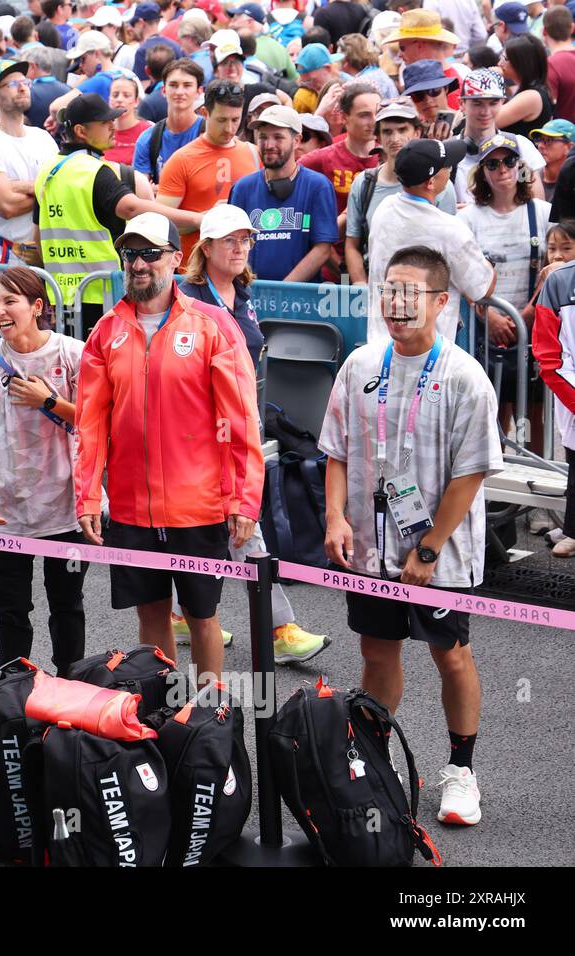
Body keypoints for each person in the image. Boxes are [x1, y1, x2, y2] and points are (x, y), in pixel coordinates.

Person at [321, 245, 503, 828]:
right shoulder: (360, 365)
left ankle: (461, 770)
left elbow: (470, 472)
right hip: (371, 548)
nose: (396, 304)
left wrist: (428, 550)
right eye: (388, 290)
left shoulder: (463, 377)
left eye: (410, 292)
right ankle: (378, 760)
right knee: (376, 651)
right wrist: (335, 517)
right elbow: (336, 450)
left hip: (439, 554)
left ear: (442, 303)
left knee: (451, 655)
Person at [75, 212, 263, 683]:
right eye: (130, 254)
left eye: (151, 253)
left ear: (176, 259)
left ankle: (208, 717)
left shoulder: (213, 325)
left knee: (202, 618)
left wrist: (244, 497)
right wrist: (88, 495)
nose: (139, 264)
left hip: (196, 507)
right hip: (134, 508)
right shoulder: (105, 332)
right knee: (151, 616)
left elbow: (241, 419)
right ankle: (162, 715)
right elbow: (91, 424)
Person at [176, 203, 331, 663]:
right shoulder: (187, 298)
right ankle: (279, 628)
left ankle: (185, 617)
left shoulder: (240, 293)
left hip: (239, 427)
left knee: (222, 525)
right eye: (230, 240)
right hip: (201, 436)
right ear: (205, 248)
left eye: (245, 239)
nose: (240, 248)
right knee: (244, 528)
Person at [0, 265, 88, 675]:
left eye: (10, 301)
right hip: (6, 510)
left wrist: (48, 401)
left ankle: (71, 688)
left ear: (37, 306)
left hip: (65, 508)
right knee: (10, 608)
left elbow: (99, 421)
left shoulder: (72, 353)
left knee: (67, 605)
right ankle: (13, 693)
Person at [33, 92, 154, 334]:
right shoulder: (95, 169)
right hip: (105, 295)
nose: (113, 126)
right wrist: (197, 218)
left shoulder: (47, 171)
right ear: (80, 131)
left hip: (61, 297)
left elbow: (38, 238)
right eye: (104, 123)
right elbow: (131, 207)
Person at [460, 132, 551, 432]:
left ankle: (533, 474)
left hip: (533, 325)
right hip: (485, 330)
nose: (502, 170)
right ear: (482, 173)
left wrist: (529, 312)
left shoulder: (542, 212)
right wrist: (489, 316)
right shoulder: (469, 218)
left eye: (509, 162)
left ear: (520, 167)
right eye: (493, 165)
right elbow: (461, 273)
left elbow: (556, 265)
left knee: (533, 416)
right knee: (492, 414)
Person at [365, 139, 496, 345]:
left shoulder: (384, 209)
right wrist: (488, 264)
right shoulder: (450, 229)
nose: (451, 169)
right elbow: (482, 288)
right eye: (447, 166)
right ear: (431, 182)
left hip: (380, 347)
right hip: (428, 356)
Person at [346, 98, 459, 285]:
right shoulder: (364, 183)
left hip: (424, 294)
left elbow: (449, 249)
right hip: (377, 290)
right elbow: (352, 244)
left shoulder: (440, 184)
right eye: (387, 131)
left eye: (402, 129)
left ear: (417, 132)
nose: (395, 138)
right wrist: (361, 285)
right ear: (378, 138)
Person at [225, 104, 337, 282]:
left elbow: (322, 249)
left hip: (299, 300)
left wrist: (282, 291)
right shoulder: (242, 188)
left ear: (297, 141)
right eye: (263, 137)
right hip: (248, 297)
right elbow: (229, 245)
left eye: (278, 137)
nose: (269, 145)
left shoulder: (317, 186)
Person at [156, 79, 261, 258]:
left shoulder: (254, 154)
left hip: (244, 270)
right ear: (205, 113)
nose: (229, 128)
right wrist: (203, 220)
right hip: (195, 273)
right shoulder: (182, 159)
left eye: (235, 119)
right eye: (221, 120)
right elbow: (159, 224)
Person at [0, 58, 59, 263]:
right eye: (12, 84)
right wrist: (45, 189)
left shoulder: (43, 138)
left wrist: (22, 187)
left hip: (47, 255)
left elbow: (62, 190)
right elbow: (7, 207)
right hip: (9, 256)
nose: (22, 88)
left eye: (25, 82)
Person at [533, 225, 575, 557]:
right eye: (552, 249)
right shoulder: (559, 282)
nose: (558, 256)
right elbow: (549, 356)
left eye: (567, 248)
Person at [451, 66, 545, 201]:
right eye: (477, 103)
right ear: (462, 103)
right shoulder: (447, 154)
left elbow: (536, 204)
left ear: (503, 102)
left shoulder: (521, 146)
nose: (485, 112)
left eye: (493, 103)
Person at [300, 82, 380, 239]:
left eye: (378, 112)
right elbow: (286, 177)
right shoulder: (322, 158)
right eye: (364, 115)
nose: (374, 121)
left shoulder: (388, 157)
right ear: (344, 117)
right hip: (331, 251)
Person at [131, 57, 204, 186]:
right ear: (164, 90)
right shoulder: (148, 139)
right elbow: (141, 191)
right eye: (173, 85)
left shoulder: (210, 132)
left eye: (187, 85)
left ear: (199, 91)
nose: (180, 92)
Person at [103, 71, 149, 164]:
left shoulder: (149, 131)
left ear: (136, 101)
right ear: (109, 99)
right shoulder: (100, 130)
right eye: (115, 95)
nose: (119, 99)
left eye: (126, 95)